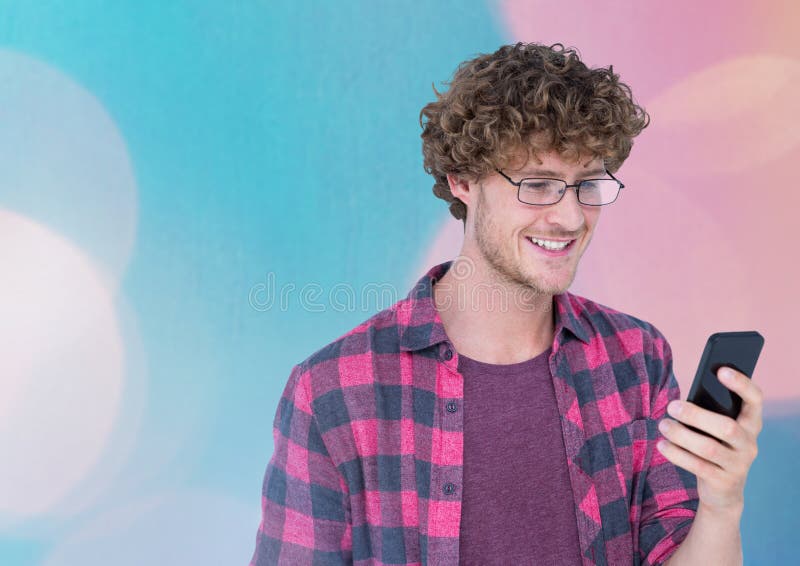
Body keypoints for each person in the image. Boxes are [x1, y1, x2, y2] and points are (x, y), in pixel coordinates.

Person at [249, 42, 763, 565]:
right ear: (463, 180)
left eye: (587, 185)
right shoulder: (335, 392)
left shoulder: (636, 357)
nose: (569, 218)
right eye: (538, 185)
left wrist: (722, 505)